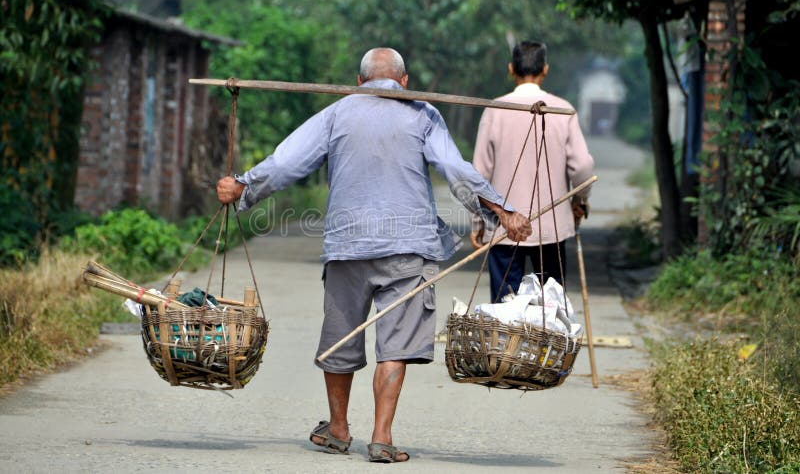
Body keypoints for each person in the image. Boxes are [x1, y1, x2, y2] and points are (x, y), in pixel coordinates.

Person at [216, 47, 531, 463]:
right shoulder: (422, 112)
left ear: (359, 81)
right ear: (404, 81)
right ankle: (382, 437)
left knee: (340, 338)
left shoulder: (338, 112)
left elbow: (288, 161)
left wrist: (243, 186)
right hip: (408, 247)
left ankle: (339, 429)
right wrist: (501, 211)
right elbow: (456, 171)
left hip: (348, 246)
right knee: (396, 345)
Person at [470, 41, 594, 303]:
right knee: (549, 313)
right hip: (552, 228)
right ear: (545, 70)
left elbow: (479, 174)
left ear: (511, 69)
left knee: (504, 314)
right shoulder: (562, 110)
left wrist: (478, 222)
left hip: (505, 228)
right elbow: (582, 165)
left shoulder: (495, 109)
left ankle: (506, 345)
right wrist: (578, 200)